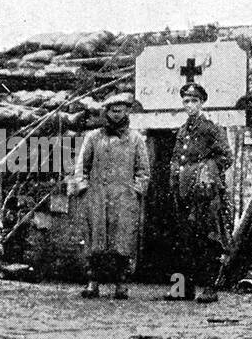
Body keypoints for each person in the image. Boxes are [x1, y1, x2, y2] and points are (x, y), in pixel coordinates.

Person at [71, 93, 150, 299]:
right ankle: (93, 282)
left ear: (127, 112)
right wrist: (84, 189)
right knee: (95, 241)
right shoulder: (93, 137)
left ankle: (121, 283)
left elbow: (143, 171)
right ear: (106, 112)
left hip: (124, 198)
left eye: (121, 110)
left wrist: (134, 191)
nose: (117, 115)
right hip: (97, 197)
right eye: (113, 110)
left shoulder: (135, 139)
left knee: (122, 242)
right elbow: (82, 167)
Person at [167, 82, 233, 303]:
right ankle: (182, 289)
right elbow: (177, 157)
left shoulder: (211, 128)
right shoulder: (183, 130)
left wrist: (207, 170)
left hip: (205, 194)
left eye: (194, 101)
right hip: (185, 192)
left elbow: (226, 156)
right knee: (185, 240)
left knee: (208, 240)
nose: (190, 105)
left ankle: (209, 289)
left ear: (202, 103)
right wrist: (175, 173)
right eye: (186, 101)